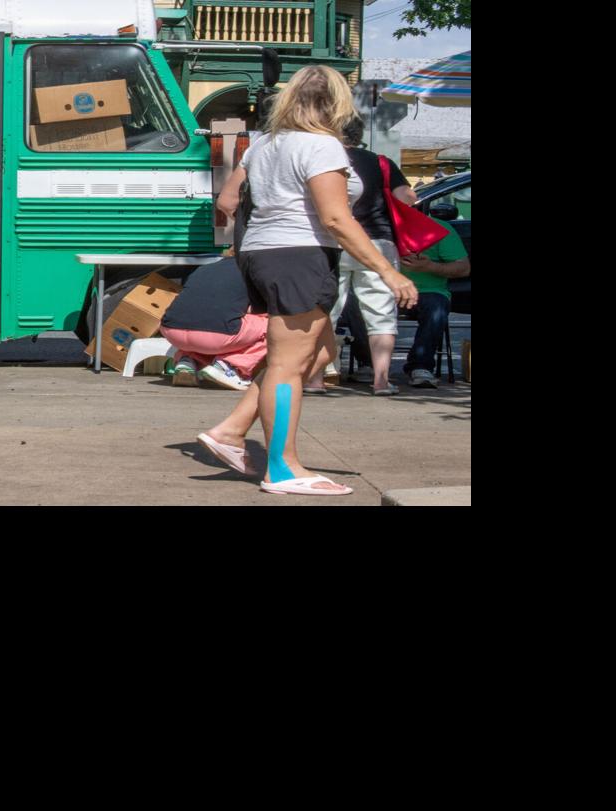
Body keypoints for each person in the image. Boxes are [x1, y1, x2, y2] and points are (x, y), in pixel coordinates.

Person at [192, 66, 418, 497]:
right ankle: (282, 467)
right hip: (299, 255)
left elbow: (229, 200)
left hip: (263, 252)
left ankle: (232, 430)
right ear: (338, 104)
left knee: (317, 354)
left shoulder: (263, 144)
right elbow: (335, 217)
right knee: (289, 365)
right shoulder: (323, 146)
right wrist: (388, 271)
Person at [305, 116, 414, 396]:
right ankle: (380, 380)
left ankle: (316, 378)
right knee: (380, 313)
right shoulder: (380, 162)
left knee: (326, 311)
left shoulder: (323, 158)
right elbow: (407, 198)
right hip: (378, 242)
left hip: (335, 241)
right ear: (359, 134)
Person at [158, 257, 263, 391]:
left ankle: (188, 361)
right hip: (217, 335)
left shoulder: (205, 268)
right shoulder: (255, 271)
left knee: (204, 319)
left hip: (171, 330)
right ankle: (230, 367)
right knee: (273, 326)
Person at [399, 216, 471, 387]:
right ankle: (367, 363)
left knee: (436, 306)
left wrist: (429, 267)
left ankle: (420, 366)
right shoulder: (379, 226)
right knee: (353, 304)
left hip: (427, 292)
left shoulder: (438, 228)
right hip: (385, 290)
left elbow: (464, 268)